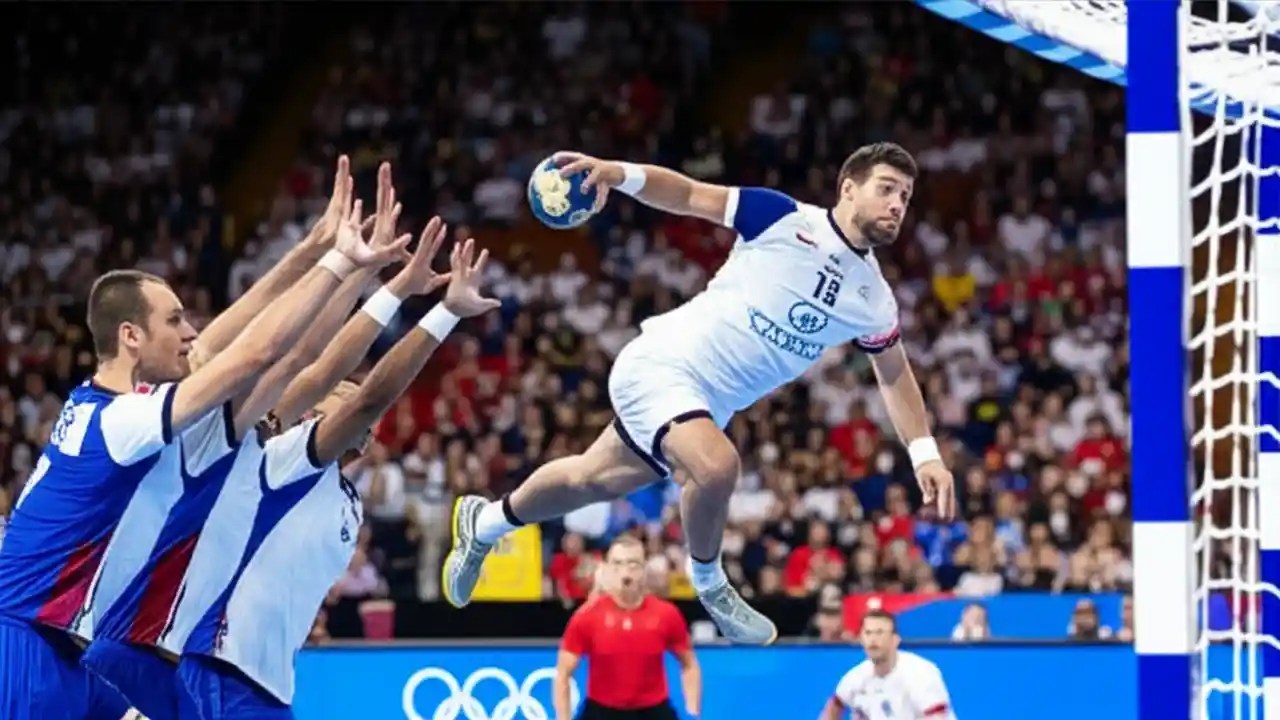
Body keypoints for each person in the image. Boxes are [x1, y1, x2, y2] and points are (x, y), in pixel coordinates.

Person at [444, 143, 957, 646]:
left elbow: (894, 373)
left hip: (704, 405)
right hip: (662, 364)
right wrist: (618, 172)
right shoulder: (781, 218)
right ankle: (710, 583)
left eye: (905, 196)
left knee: (587, 479)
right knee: (716, 466)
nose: (897, 204)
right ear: (848, 189)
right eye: (886, 189)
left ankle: (483, 523)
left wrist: (925, 454)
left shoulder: (875, 300)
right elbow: (689, 194)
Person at [0, 155, 402, 720]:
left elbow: (257, 352)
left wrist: (317, 251)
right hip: (34, 644)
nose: (190, 333)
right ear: (131, 336)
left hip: (75, 656)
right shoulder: (125, 422)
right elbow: (261, 354)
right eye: (174, 321)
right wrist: (340, 264)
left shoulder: (136, 413)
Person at [162, 237, 498, 720]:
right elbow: (353, 389)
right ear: (311, 418)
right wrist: (443, 312)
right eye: (338, 400)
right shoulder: (282, 459)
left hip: (271, 686)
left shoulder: (350, 504)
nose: (352, 405)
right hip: (217, 669)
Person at [554, 535, 701, 720]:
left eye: (633, 564)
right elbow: (563, 675)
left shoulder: (666, 614)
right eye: (618, 564)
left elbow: (689, 664)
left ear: (644, 569)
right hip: (602, 712)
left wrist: (692, 712)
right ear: (607, 568)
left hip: (653, 712)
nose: (625, 572)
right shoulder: (586, 616)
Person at [820, 610, 956, 720]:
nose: (873, 639)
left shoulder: (920, 673)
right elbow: (834, 706)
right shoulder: (856, 677)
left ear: (895, 639)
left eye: (880, 632)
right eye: (868, 633)